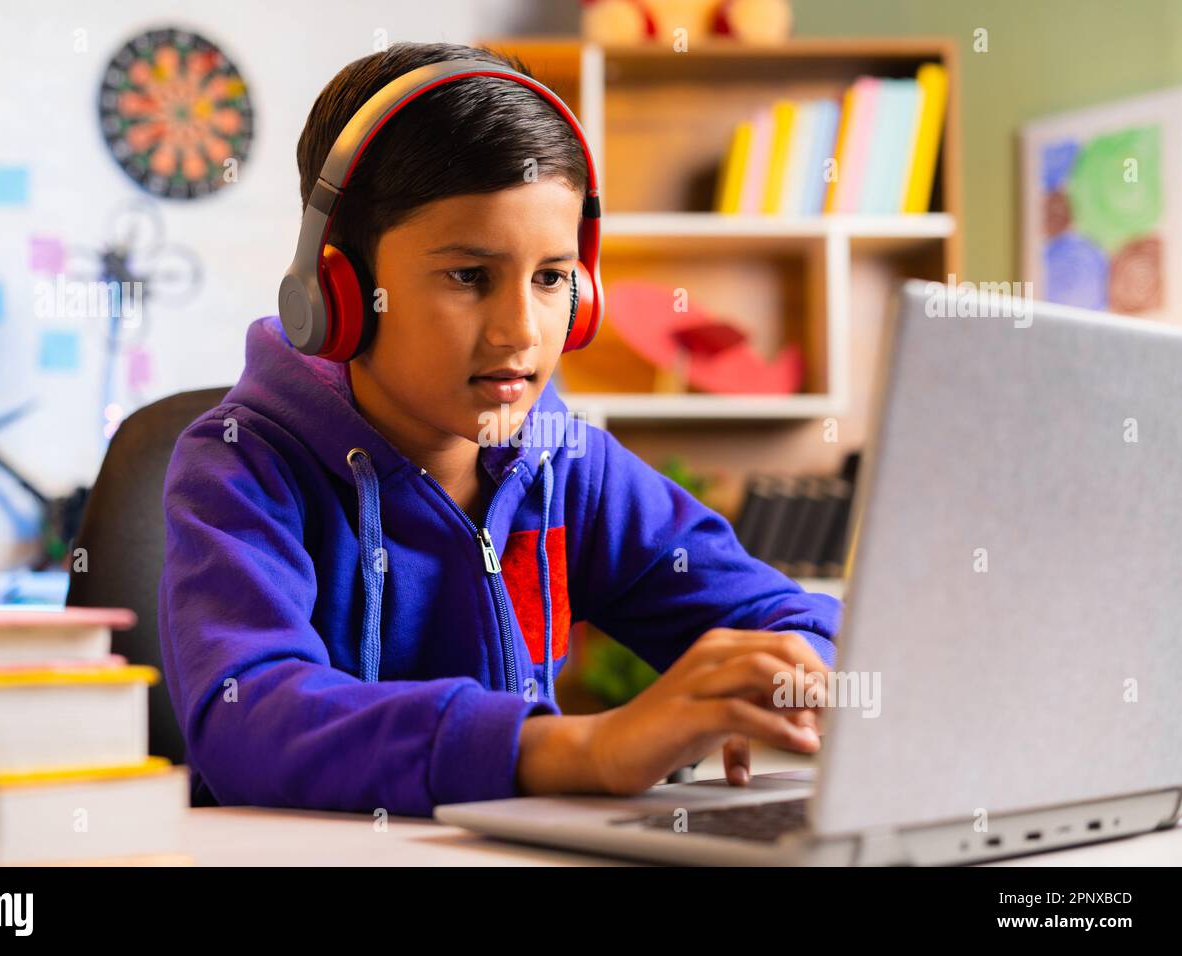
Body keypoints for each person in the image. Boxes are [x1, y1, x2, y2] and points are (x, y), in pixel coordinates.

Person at [158, 41, 841, 816]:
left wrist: (785, 679)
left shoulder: (568, 465)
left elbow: (791, 618)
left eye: (552, 277)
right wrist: (576, 749)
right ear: (336, 290)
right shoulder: (242, 470)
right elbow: (249, 722)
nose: (521, 330)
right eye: (469, 276)